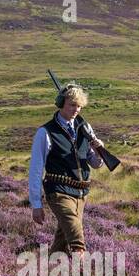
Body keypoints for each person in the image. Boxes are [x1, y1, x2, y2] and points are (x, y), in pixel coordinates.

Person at [28, 82, 108, 256]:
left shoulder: (85, 128)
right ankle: (83, 266)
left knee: (62, 238)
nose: (76, 109)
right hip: (58, 191)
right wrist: (36, 204)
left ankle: (50, 271)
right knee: (74, 230)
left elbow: (94, 163)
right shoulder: (46, 132)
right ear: (60, 104)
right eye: (72, 105)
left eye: (79, 106)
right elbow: (35, 169)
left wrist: (99, 152)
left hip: (81, 192)